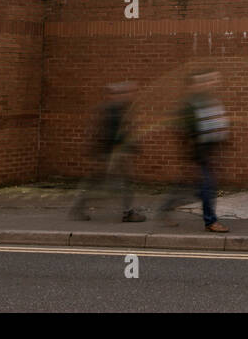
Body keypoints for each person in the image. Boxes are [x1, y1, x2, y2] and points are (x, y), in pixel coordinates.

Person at [159, 71, 230, 233]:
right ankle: (210, 222)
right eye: (206, 81)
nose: (211, 83)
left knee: (189, 187)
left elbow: (218, 128)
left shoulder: (212, 102)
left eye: (212, 80)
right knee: (207, 188)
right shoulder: (190, 106)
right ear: (195, 85)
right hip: (199, 155)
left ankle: (164, 210)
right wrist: (192, 153)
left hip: (207, 154)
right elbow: (182, 131)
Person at [71, 81, 146, 222]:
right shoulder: (114, 111)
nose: (132, 95)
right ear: (118, 94)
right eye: (129, 92)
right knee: (118, 185)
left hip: (111, 154)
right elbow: (113, 135)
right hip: (114, 155)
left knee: (101, 183)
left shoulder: (118, 109)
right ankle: (127, 213)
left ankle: (78, 207)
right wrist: (122, 152)